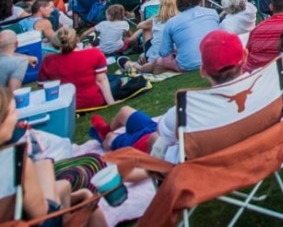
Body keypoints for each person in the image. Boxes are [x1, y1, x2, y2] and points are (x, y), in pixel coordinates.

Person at [90, 30, 248, 163]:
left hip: (162, 148)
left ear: (203, 71)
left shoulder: (190, 107)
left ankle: (107, 135)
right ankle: (109, 130)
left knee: (111, 138)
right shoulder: (262, 89)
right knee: (125, 112)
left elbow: (158, 139)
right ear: (245, 55)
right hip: (167, 135)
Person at [0, 86, 107, 227]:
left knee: (64, 184)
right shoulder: (16, 161)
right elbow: (44, 217)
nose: (17, 115)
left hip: (16, 212)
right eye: (13, 111)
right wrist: (41, 162)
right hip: (33, 219)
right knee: (85, 192)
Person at [39, 27, 116, 111]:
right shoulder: (94, 53)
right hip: (93, 102)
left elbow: (43, 88)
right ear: (77, 40)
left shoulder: (48, 61)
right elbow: (101, 80)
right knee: (115, 80)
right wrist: (111, 103)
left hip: (65, 106)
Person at [153, 0, 219, 73]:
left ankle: (148, 75)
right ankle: (140, 69)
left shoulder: (171, 22)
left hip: (189, 65)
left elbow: (164, 53)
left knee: (160, 61)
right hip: (216, 58)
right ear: (197, 0)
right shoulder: (212, 13)